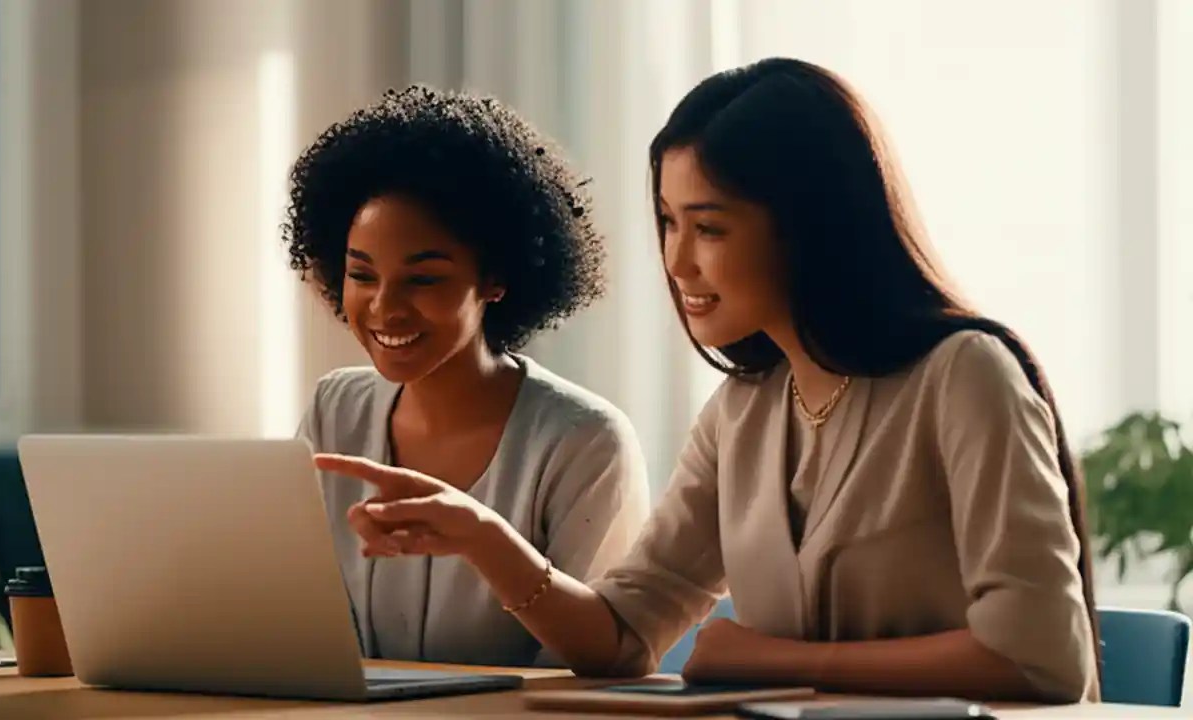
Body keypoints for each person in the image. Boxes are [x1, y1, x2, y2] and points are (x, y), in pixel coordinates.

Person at [317, 59, 1099, 703]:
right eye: (667, 222)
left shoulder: (964, 376)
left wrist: (778, 659)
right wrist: (486, 539)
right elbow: (622, 640)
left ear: (810, 226)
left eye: (710, 228)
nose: (678, 261)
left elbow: (1037, 659)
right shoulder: (743, 410)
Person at [285, 85, 650, 667]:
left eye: (423, 279)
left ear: (496, 279)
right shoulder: (336, 408)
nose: (385, 308)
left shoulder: (585, 440)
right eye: (362, 275)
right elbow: (292, 614)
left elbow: (598, 663)